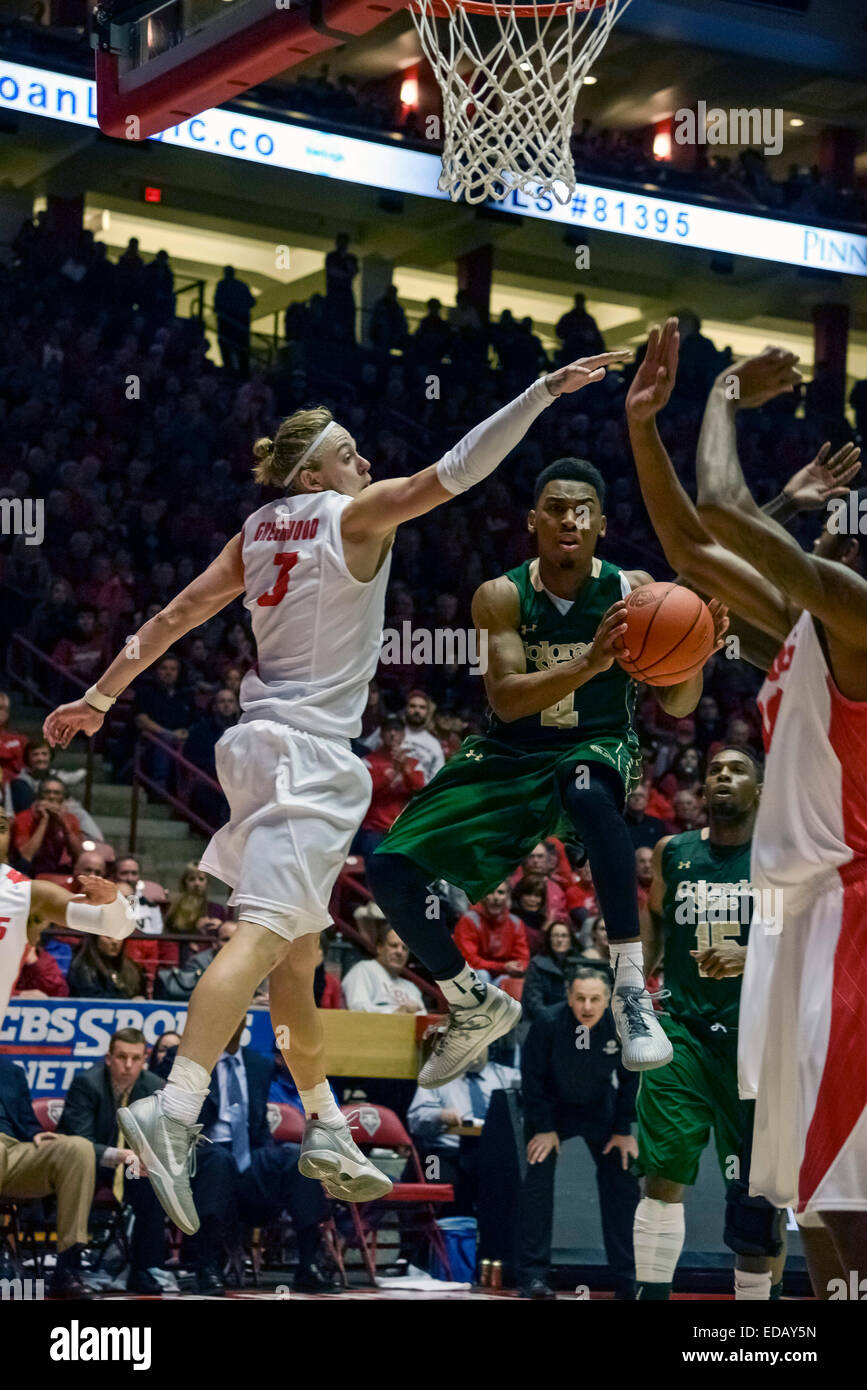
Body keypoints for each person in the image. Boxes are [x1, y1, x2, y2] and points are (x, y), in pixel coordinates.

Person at [44, 348, 605, 1230]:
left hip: (257, 748)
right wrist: (541, 391)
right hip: (309, 758)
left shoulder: (256, 532)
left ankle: (328, 1128)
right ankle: (175, 1103)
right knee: (265, 941)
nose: (367, 464)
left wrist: (101, 695)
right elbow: (457, 469)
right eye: (350, 452)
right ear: (316, 471)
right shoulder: (352, 515)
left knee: (301, 959)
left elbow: (172, 618)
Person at [624, 318, 867, 1283]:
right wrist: (646, 422)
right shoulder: (809, 631)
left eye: (844, 519)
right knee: (809, 1187)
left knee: (845, 1190)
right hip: (801, 920)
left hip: (847, 917)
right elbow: (690, 548)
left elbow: (720, 507)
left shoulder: (853, 617)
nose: (832, 519)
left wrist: (720, 395)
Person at [370, 443, 729, 1080]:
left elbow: (676, 704)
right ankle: (470, 1001)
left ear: (601, 524)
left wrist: (692, 653)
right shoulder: (499, 598)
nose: (569, 520)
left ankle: (628, 988)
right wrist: (590, 660)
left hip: (594, 745)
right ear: (532, 521)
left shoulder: (636, 592)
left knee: (587, 790)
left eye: (582, 511)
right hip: (509, 752)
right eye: (555, 509)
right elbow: (506, 703)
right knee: (390, 870)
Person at [634, 748, 785, 1300]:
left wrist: (753, 957)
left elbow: (809, 942)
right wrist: (634, 982)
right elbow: (653, 918)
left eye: (737, 769)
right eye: (715, 770)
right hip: (682, 1030)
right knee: (662, 1173)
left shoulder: (780, 859)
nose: (723, 775)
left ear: (761, 792)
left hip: (758, 1040)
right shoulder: (673, 851)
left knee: (755, 1193)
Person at [182, 1018, 338, 1295]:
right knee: (220, 1160)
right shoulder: (191, 1061)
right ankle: (207, 1266)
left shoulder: (258, 1065)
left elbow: (259, 1125)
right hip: (203, 1151)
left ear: (244, 1026)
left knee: (296, 1159)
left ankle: (309, 1263)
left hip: (248, 1153)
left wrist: (268, 1153)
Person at [516, 967, 640, 1299]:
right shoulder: (547, 1023)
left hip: (599, 1108)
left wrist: (623, 1129)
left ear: (607, 1001)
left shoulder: (621, 1025)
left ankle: (629, 1278)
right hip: (551, 1108)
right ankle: (533, 1276)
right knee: (538, 1178)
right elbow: (531, 1078)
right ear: (569, 998)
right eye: (580, 998)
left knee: (623, 1176)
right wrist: (543, 1128)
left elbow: (632, 1079)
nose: (587, 1006)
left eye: (595, 999)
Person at [58, 1028, 168, 1295]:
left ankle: (142, 1269)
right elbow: (80, 1142)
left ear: (145, 1058)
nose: (128, 1065)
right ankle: (67, 1268)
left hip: (130, 1167)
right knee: (82, 1169)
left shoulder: (154, 1088)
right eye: (121, 1057)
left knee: (155, 1178)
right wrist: (122, 1155)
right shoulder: (87, 1084)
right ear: (108, 1058)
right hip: (87, 1163)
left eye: (135, 1058)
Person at [0, 1057, 96, 1297]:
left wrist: (38, 1134)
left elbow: (27, 1123)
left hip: (14, 1151)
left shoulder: (11, 1070)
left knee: (78, 1148)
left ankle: (67, 1266)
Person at [406, 1047, 521, 1215]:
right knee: (438, 1178)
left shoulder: (508, 1077)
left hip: (493, 1152)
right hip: (443, 1152)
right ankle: (445, 1232)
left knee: (506, 1184)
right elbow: (415, 1119)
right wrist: (440, 1115)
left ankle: (493, 1235)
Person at [356, 715, 424, 858]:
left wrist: (406, 769)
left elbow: (420, 791)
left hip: (402, 831)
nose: (392, 733)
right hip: (373, 831)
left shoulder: (414, 763)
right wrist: (393, 772)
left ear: (403, 734)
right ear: (381, 733)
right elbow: (367, 791)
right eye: (388, 730)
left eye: (397, 730)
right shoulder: (367, 762)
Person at [453, 882, 530, 986]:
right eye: (490, 892)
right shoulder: (469, 919)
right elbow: (469, 960)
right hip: (473, 975)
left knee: (510, 981)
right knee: (482, 975)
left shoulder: (515, 922)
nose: (496, 897)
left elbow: (522, 957)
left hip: (502, 974)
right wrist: (502, 967)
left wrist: (519, 966)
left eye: (501, 893)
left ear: (508, 896)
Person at [362, 689, 445, 784]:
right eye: (412, 706)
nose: (417, 710)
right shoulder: (391, 730)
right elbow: (367, 750)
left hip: (418, 791)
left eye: (422, 707)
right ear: (406, 708)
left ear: (427, 712)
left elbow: (438, 778)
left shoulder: (434, 744)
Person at [342, 923, 426, 1014]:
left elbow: (424, 1016)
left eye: (405, 948)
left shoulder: (411, 987)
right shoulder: (364, 969)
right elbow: (357, 1008)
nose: (399, 951)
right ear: (380, 947)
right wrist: (396, 1012)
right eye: (394, 945)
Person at [11, 775, 84, 875]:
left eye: (57, 793)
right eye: (47, 792)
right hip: (29, 872)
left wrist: (64, 824)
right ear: (39, 796)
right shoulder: (23, 818)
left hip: (58, 872)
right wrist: (44, 821)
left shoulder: (70, 818)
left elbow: (80, 856)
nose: (52, 796)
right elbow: (25, 857)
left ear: (63, 797)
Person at [522, 920, 582, 1021]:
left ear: (571, 940)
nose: (559, 940)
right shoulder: (536, 964)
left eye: (564, 936)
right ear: (549, 939)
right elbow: (535, 1004)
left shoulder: (579, 963)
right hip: (542, 1020)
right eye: (555, 936)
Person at [67, 933, 147, 1000]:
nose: (115, 942)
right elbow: (93, 1000)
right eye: (108, 937)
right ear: (95, 939)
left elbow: (140, 993)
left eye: (119, 937)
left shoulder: (132, 968)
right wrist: (129, 1003)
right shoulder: (81, 968)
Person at [214, 266, 256, 377]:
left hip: (230, 324)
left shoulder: (223, 285)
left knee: (230, 349)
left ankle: (232, 371)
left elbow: (217, 304)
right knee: (240, 350)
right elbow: (252, 302)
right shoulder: (240, 286)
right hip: (238, 324)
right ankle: (239, 372)